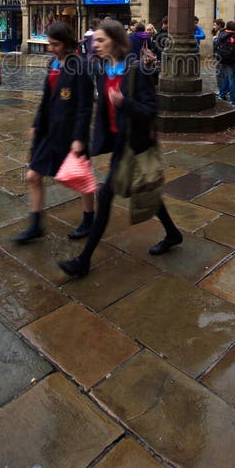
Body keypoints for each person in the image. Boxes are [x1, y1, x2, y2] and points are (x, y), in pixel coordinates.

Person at [58, 19, 182, 278]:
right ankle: (172, 233)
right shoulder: (103, 70)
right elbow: (102, 108)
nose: (95, 44)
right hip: (118, 143)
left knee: (105, 197)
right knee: (145, 190)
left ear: (115, 41)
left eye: (101, 40)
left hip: (135, 144)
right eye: (95, 40)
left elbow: (151, 110)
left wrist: (125, 103)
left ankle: (83, 261)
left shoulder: (137, 70)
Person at [14, 21, 95, 244]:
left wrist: (79, 138)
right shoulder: (53, 63)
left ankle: (89, 220)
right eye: (49, 44)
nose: (51, 48)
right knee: (33, 176)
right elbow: (46, 97)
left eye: (55, 44)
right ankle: (35, 225)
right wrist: (36, 124)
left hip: (70, 133)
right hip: (48, 131)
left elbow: (85, 106)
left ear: (67, 43)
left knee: (83, 179)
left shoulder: (80, 66)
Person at [215, 20, 235, 105]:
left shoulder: (221, 36)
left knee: (225, 78)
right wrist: (233, 56)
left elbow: (216, 47)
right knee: (232, 80)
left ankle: (222, 95)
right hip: (231, 62)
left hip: (222, 61)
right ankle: (232, 100)